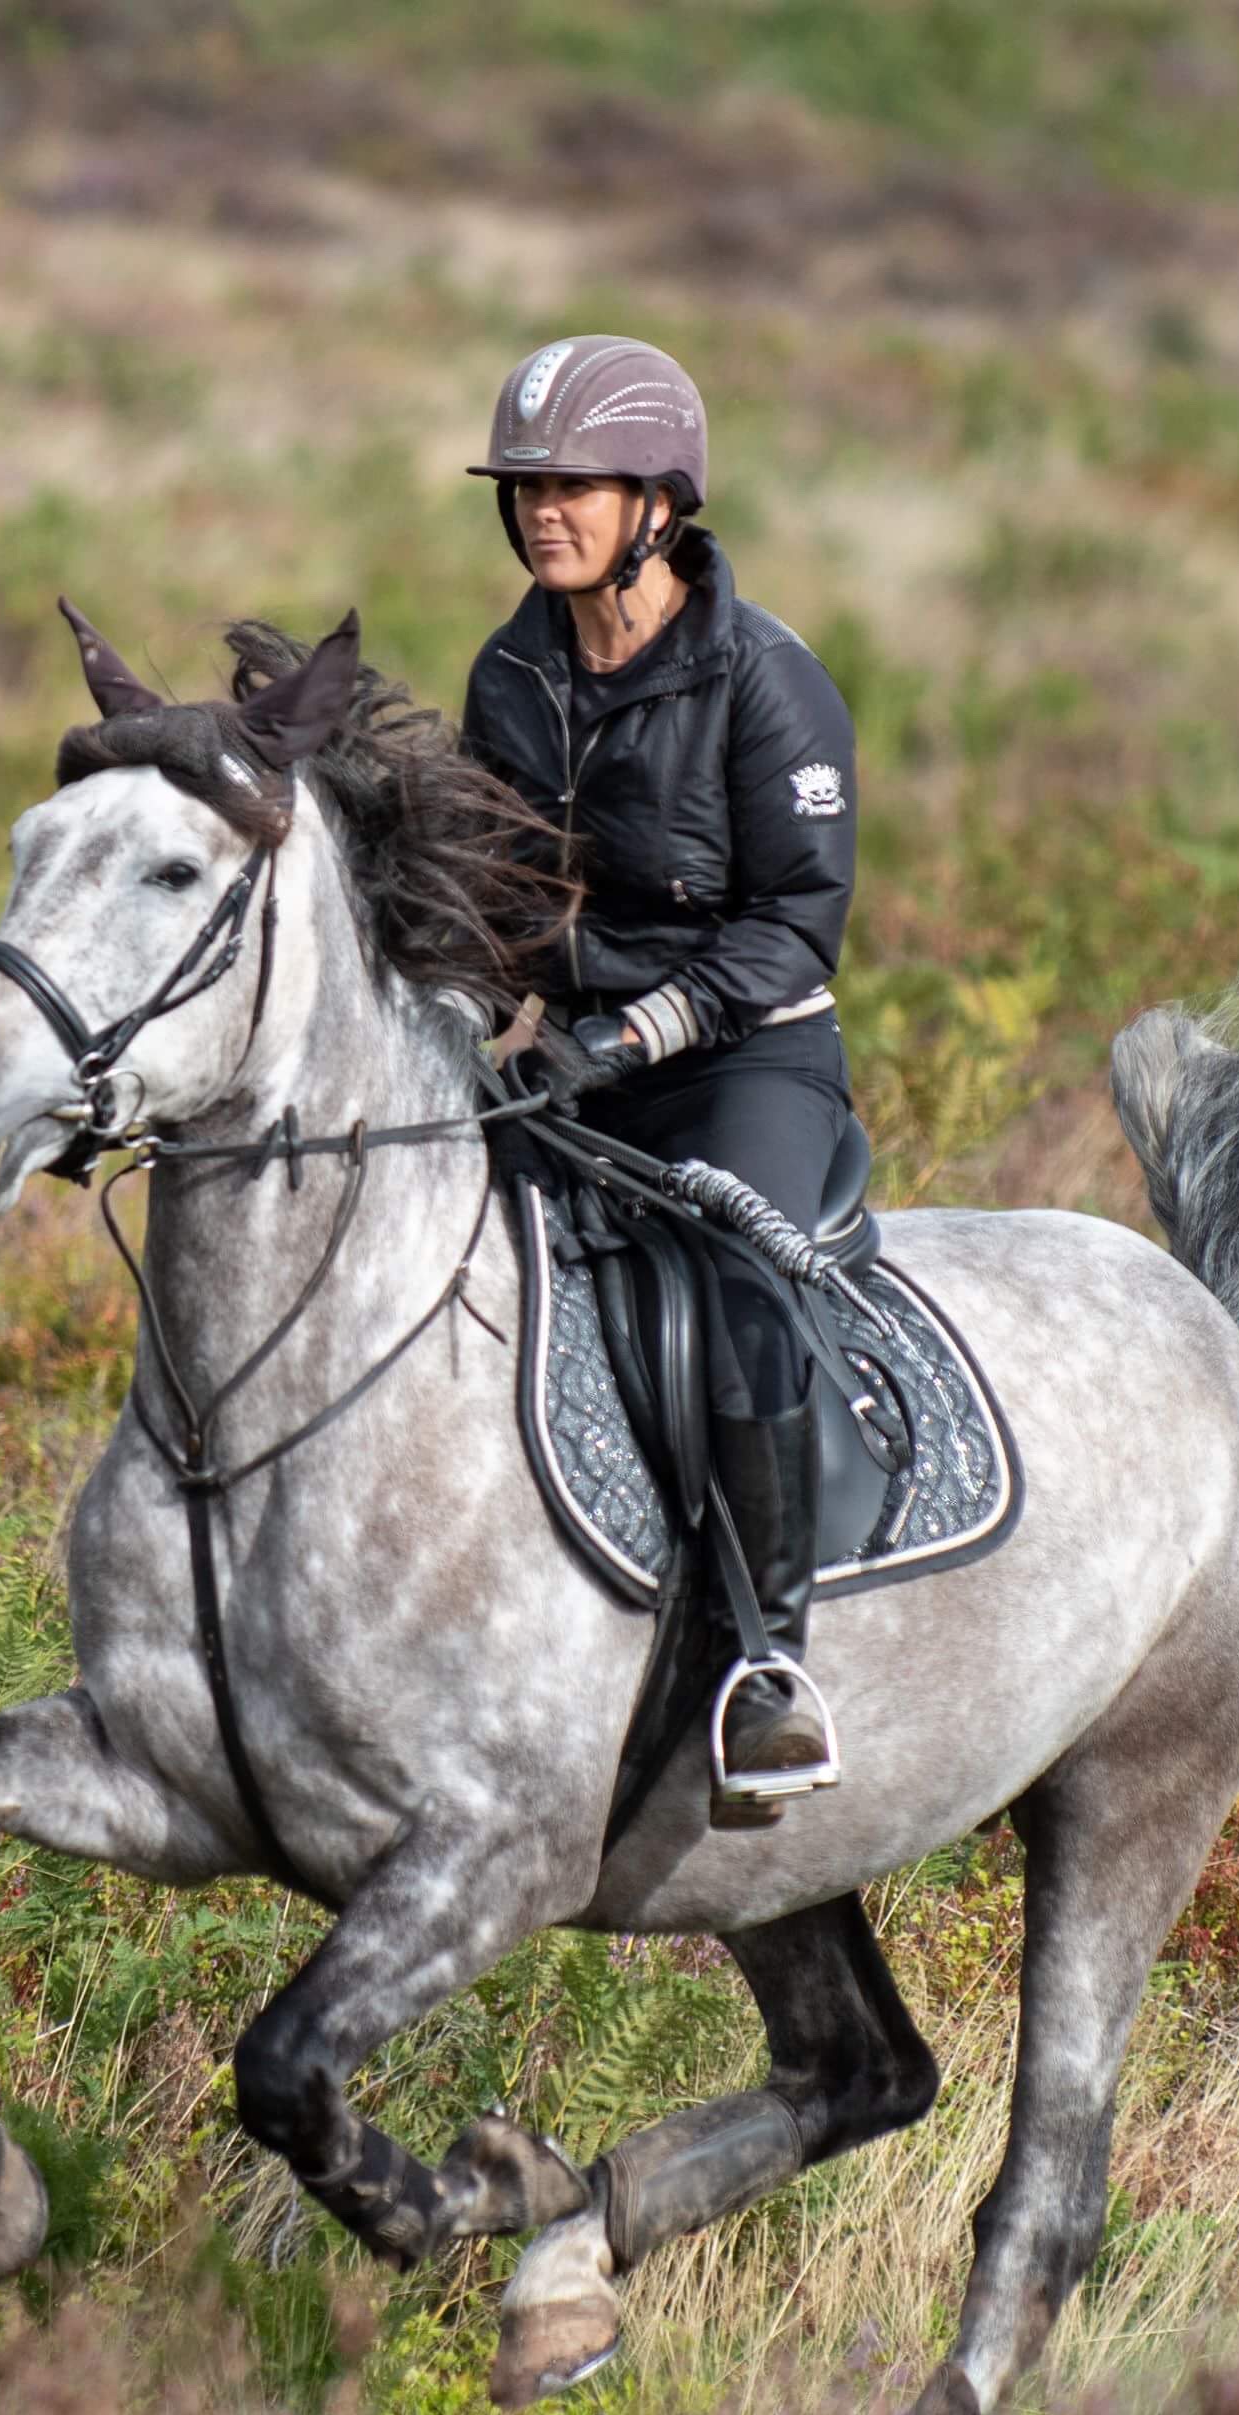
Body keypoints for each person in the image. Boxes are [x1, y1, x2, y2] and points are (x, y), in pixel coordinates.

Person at [458, 334, 865, 1802]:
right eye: (524, 485)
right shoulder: (509, 672)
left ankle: (771, 1662)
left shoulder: (767, 680)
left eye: (572, 483)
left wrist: (641, 1031)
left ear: (659, 503)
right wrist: (462, 1007)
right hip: (572, 1064)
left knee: (743, 1286)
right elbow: (491, 895)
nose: (539, 509)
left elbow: (800, 924)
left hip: (742, 1066)